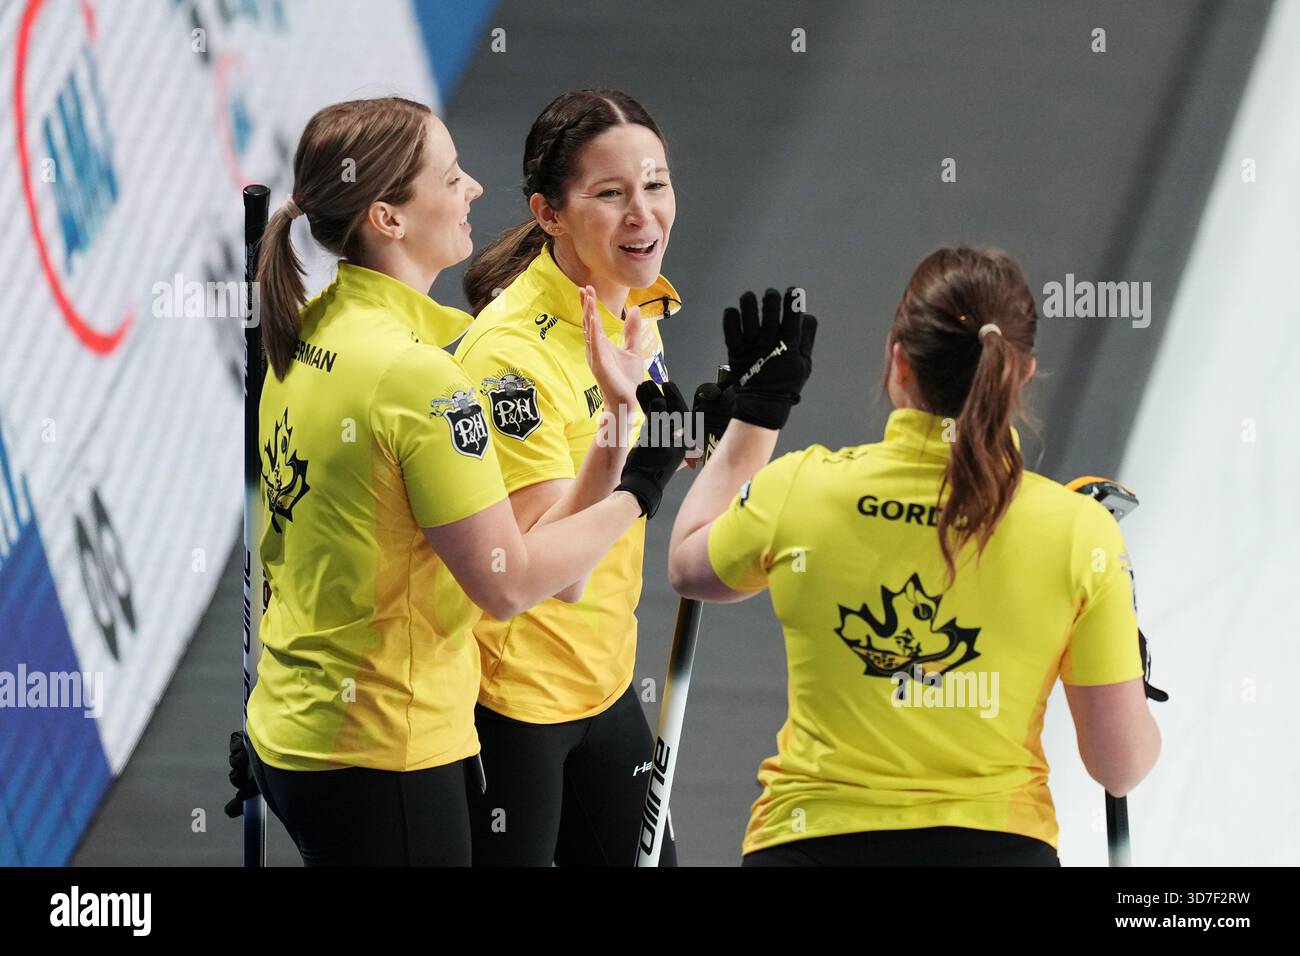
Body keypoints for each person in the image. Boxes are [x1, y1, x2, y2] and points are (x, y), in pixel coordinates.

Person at [227, 96, 684, 866]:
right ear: (388, 218)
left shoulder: (313, 327)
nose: (474, 189)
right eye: (450, 178)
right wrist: (640, 486)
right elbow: (509, 584)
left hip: (301, 727)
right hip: (383, 745)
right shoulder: (419, 380)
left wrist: (614, 423)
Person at [667, 249, 1162, 866]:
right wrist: (1129, 668)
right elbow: (1119, 767)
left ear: (899, 363)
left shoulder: (804, 488)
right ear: (1023, 372)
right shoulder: (1079, 533)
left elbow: (688, 566)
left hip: (810, 844)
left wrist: (754, 422)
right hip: (997, 849)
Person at [455, 89, 686, 866]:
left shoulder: (636, 303)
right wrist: (632, 459)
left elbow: (649, 442)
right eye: (610, 194)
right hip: (514, 699)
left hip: (605, 678)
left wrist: (723, 426)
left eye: (655, 184)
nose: (643, 216)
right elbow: (550, 570)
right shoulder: (507, 358)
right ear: (549, 213)